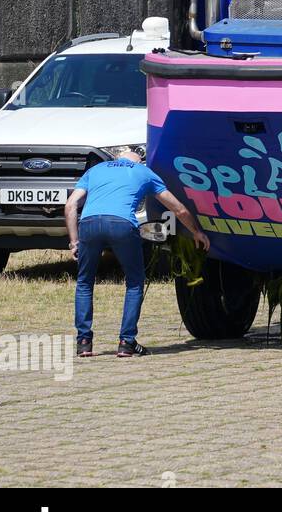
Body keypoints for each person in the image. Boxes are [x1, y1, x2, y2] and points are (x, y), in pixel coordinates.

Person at [64, 148, 210, 358]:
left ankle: (84, 342)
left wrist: (74, 241)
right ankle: (126, 342)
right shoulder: (143, 172)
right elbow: (179, 209)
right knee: (134, 282)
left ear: (117, 158)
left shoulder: (96, 170)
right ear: (139, 160)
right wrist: (196, 232)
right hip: (122, 224)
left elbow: (70, 206)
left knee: (85, 282)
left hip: (89, 223)